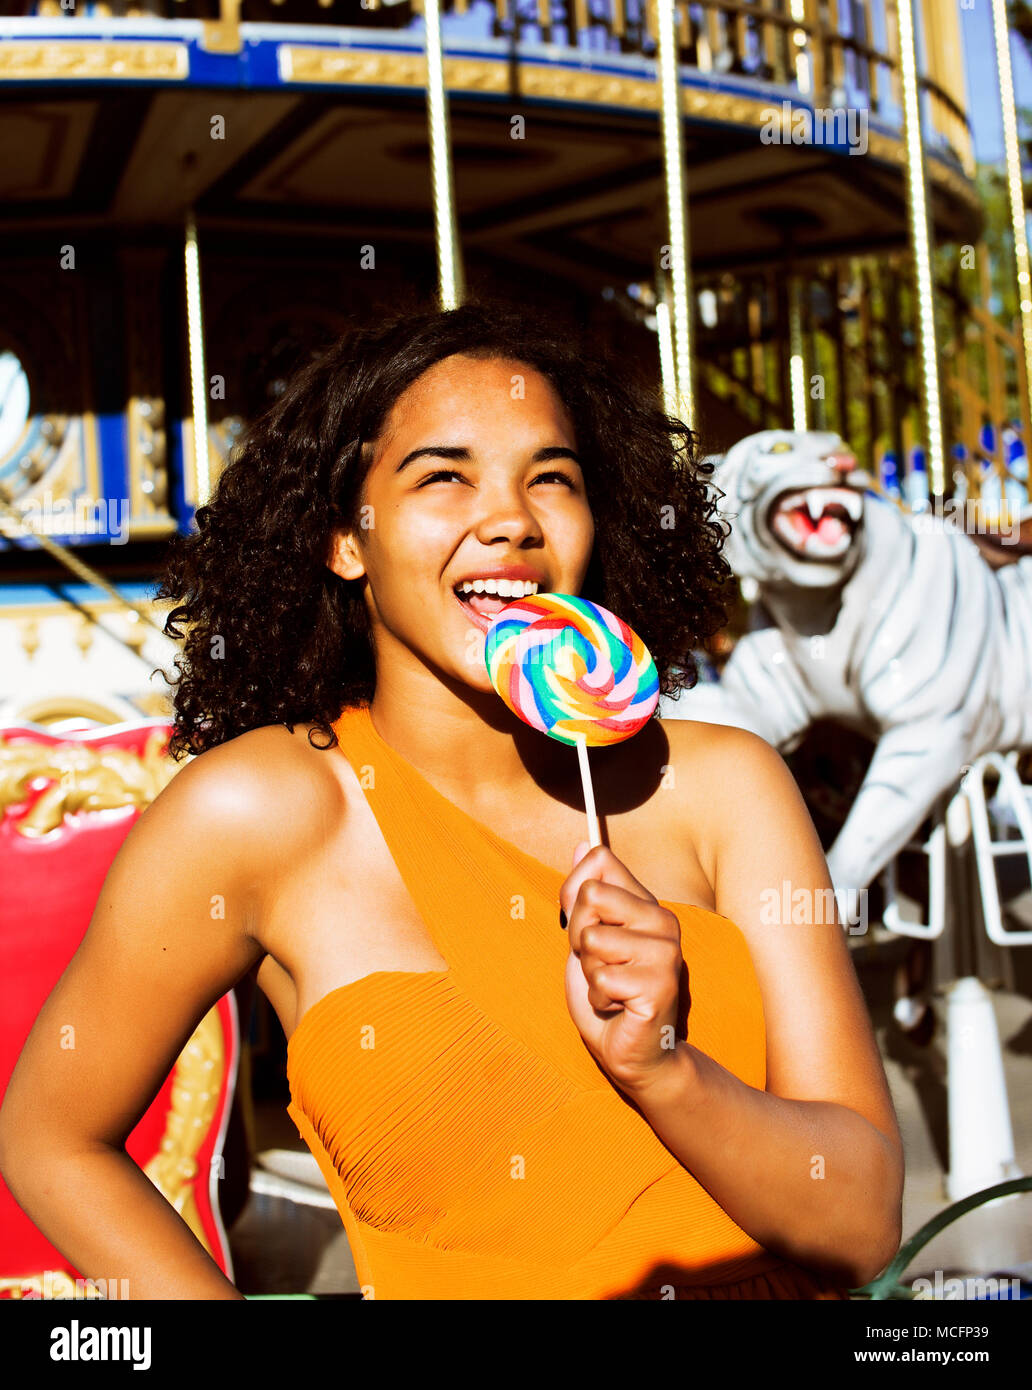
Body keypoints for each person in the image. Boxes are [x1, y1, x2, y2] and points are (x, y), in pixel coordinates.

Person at [0, 300, 904, 1299]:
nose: (509, 518)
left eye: (550, 478)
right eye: (443, 475)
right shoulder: (257, 812)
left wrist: (667, 1071)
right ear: (346, 536)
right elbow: (50, 1136)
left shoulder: (725, 785)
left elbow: (860, 1224)